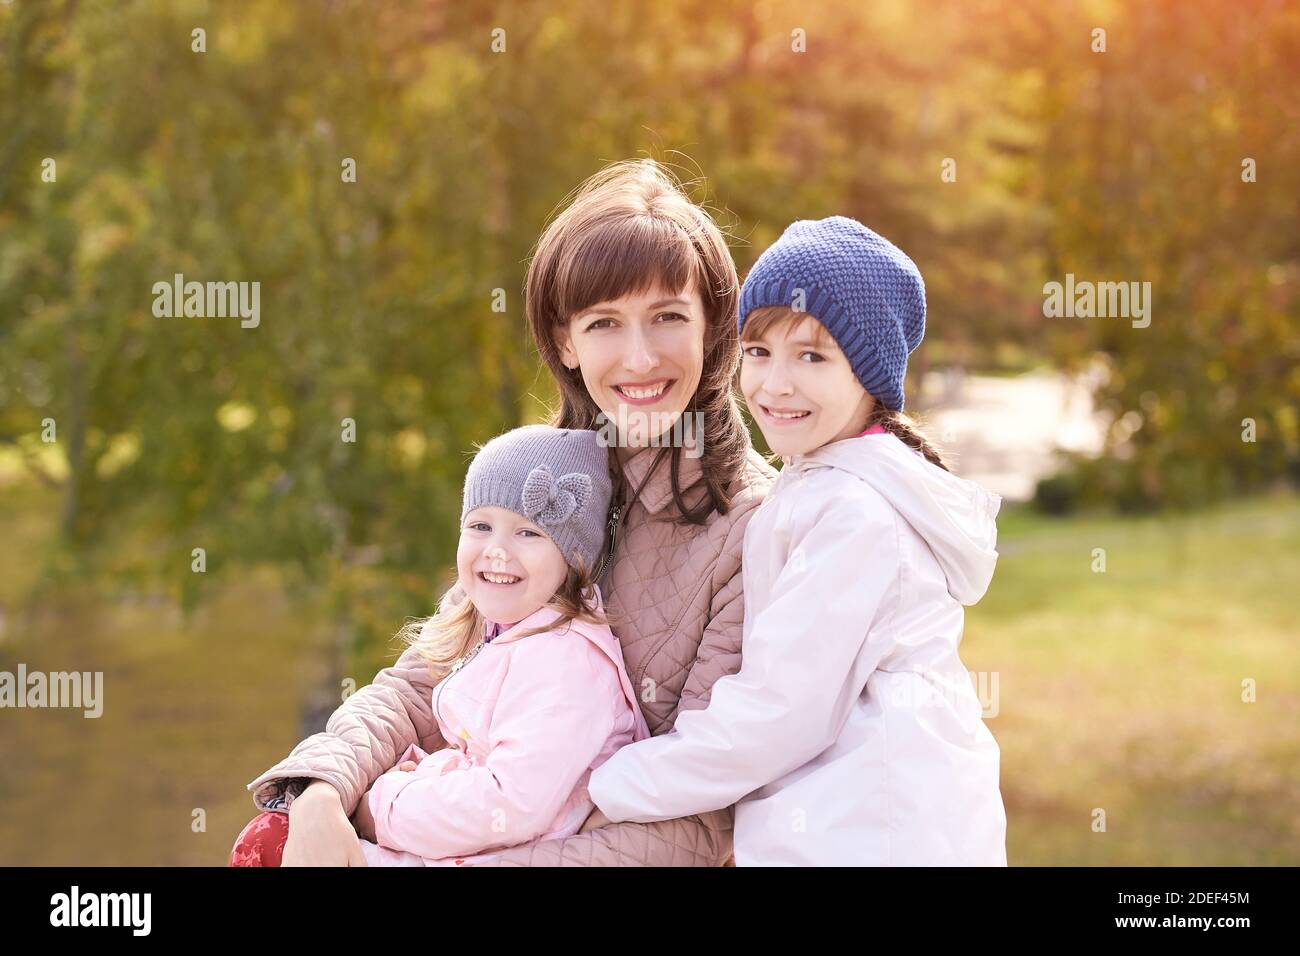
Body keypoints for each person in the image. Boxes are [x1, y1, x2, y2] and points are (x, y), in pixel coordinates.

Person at [585, 216, 1009, 865]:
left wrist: (615, 783)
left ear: (869, 373)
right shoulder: (823, 484)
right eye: (759, 352)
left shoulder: (854, 514)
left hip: (873, 838)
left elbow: (777, 716)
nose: (775, 383)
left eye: (812, 356)